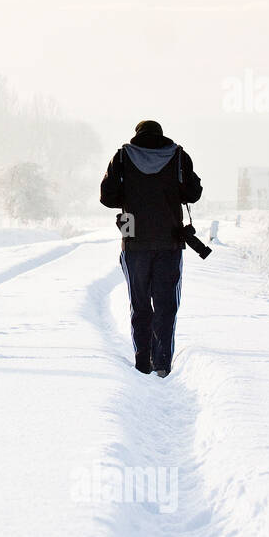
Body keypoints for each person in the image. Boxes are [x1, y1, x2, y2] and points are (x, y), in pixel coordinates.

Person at [99, 120, 203, 377]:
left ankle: (142, 362)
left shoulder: (123, 156)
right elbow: (193, 192)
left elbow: (106, 196)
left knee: (140, 303)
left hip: (134, 240)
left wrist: (131, 195)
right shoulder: (178, 155)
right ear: (161, 134)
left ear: (137, 134)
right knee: (167, 304)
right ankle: (163, 362)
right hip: (170, 241)